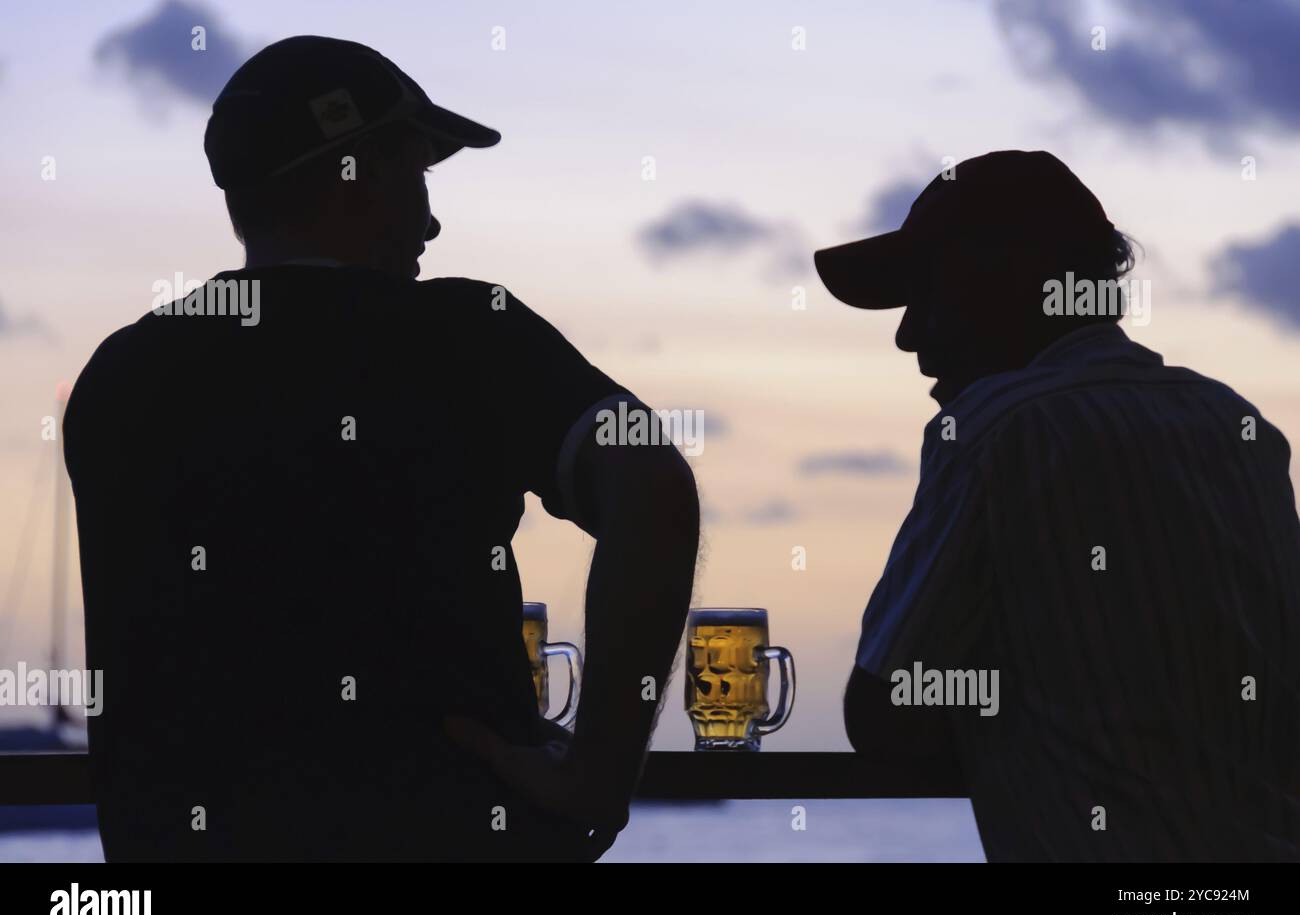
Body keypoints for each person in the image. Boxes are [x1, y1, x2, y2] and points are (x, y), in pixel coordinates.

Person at [63, 36, 699, 862]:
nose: (432, 220)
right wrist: (601, 770)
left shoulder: (119, 376)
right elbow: (651, 484)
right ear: (357, 171)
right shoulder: (467, 334)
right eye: (419, 175)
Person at [816, 150, 1300, 861]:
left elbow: (886, 709)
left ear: (1003, 283)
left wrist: (1006, 699)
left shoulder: (996, 429)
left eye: (925, 293)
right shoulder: (1241, 427)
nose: (907, 334)